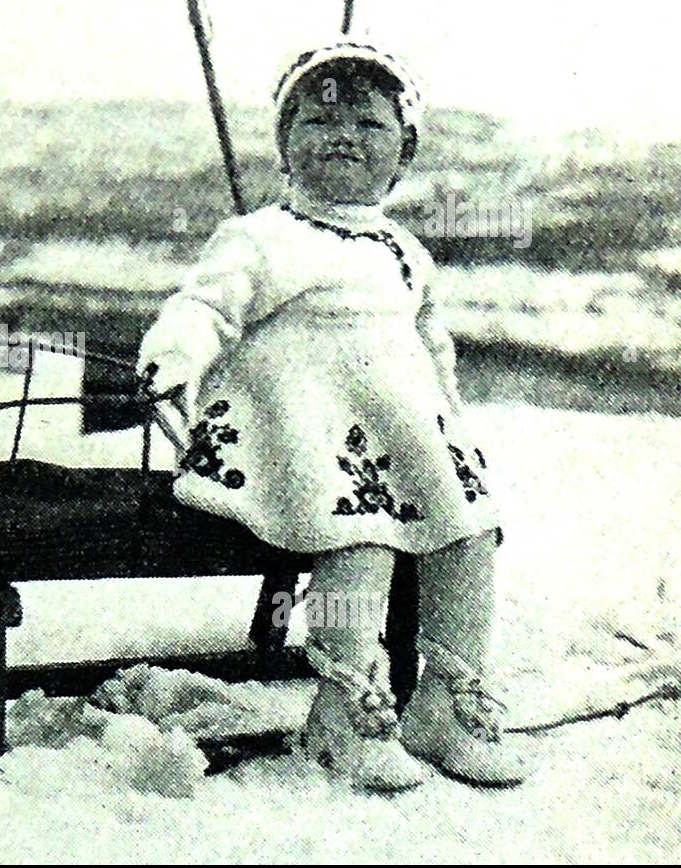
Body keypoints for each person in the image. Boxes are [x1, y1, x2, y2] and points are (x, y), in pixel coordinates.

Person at [138, 42, 537, 791]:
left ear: (403, 153)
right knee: (359, 536)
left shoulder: (404, 250)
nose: (343, 134)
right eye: (319, 121)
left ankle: (446, 706)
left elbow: (430, 343)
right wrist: (172, 357)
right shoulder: (261, 236)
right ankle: (346, 711)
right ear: (286, 145)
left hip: (395, 437)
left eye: (368, 122)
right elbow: (205, 307)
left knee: (469, 532)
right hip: (293, 439)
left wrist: (448, 427)